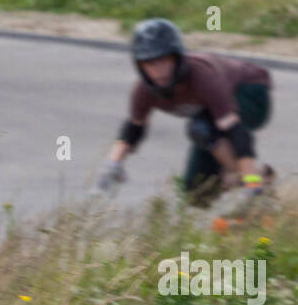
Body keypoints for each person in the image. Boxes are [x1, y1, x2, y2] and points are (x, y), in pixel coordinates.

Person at [94, 18, 274, 207]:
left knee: (201, 127)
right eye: (150, 63)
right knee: (196, 191)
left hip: (251, 93)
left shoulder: (202, 77)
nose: (159, 71)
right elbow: (134, 128)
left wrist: (250, 184)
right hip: (211, 114)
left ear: (177, 57)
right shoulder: (143, 91)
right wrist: (112, 164)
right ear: (140, 65)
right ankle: (261, 175)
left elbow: (236, 132)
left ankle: (252, 183)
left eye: (164, 60)